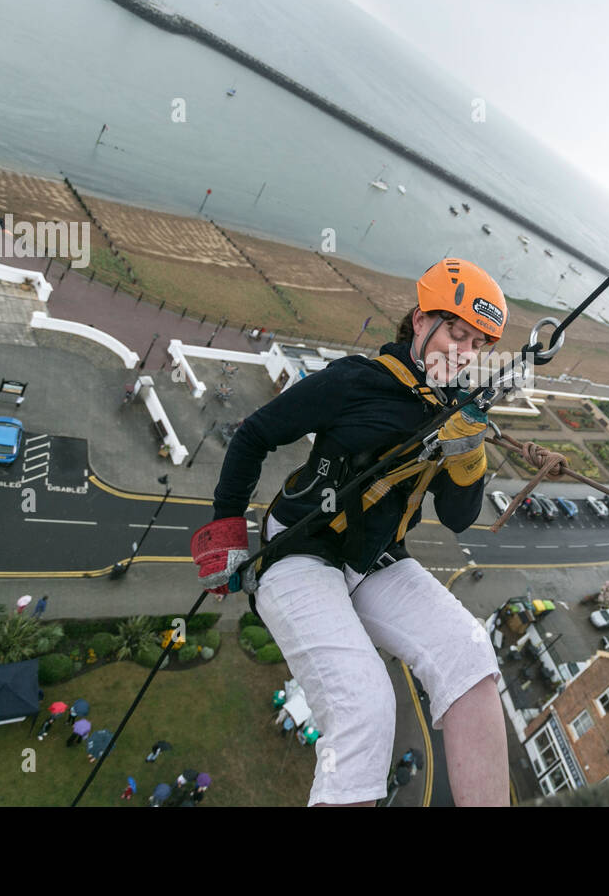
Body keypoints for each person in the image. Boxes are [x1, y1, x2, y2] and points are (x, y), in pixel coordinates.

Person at [193, 258, 510, 807]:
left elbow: (459, 519)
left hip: (375, 560)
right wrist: (226, 526)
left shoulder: (458, 414)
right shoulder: (356, 381)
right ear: (420, 320)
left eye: (478, 344)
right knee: (364, 704)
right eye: (456, 332)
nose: (463, 351)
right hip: (300, 550)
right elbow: (254, 435)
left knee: (472, 655)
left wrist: (470, 454)